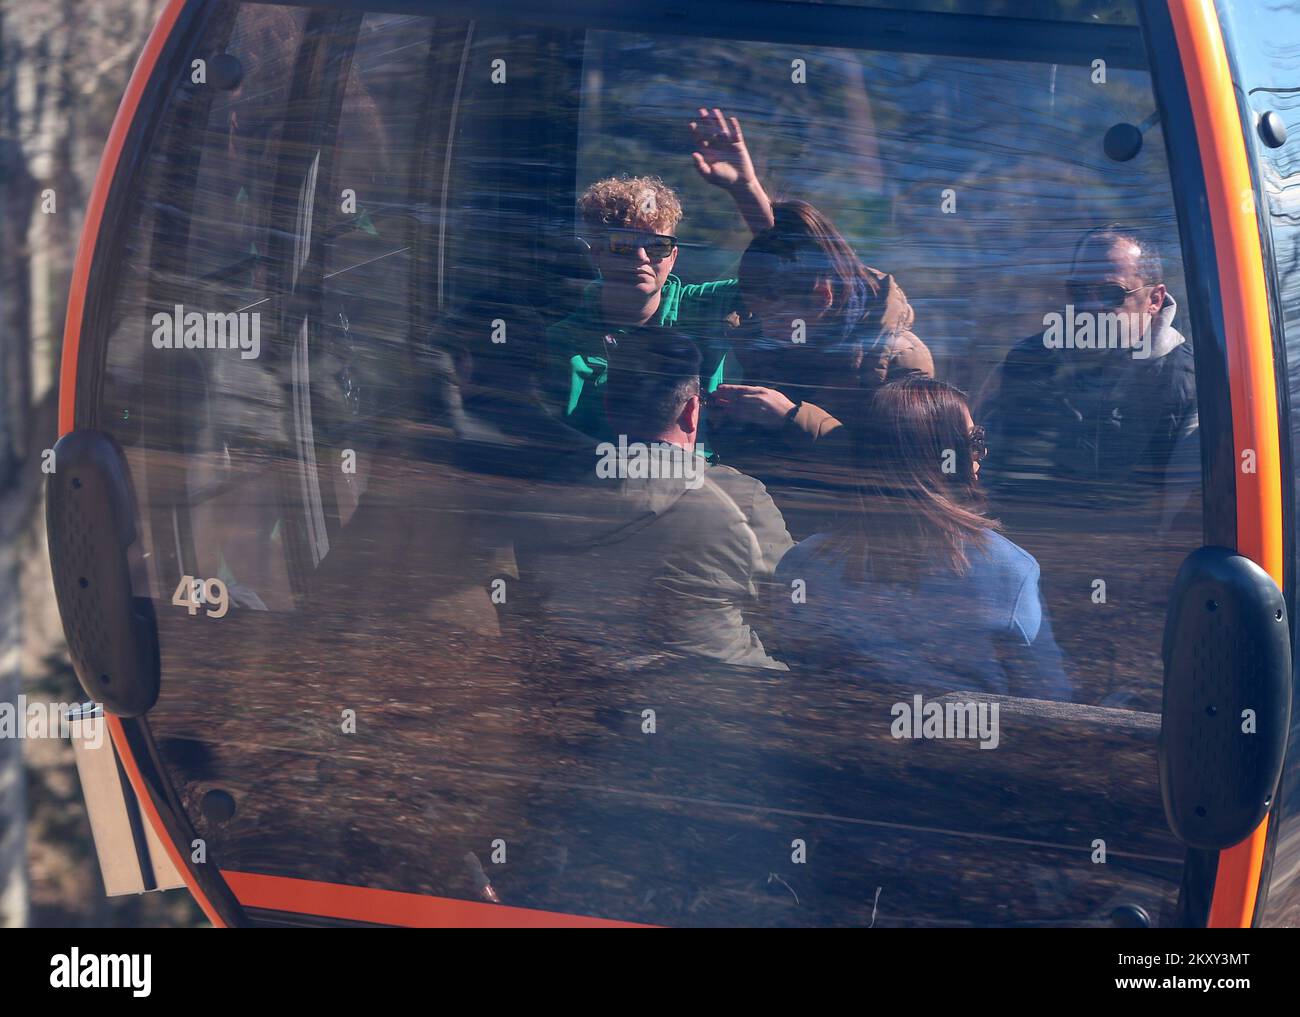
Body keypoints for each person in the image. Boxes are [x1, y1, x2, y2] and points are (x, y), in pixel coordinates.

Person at [771, 376, 1072, 701]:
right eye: (974, 440)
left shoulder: (803, 564)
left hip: (829, 746)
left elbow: (796, 664)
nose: (980, 453)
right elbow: (1048, 696)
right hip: (965, 746)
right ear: (950, 456)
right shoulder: (1009, 571)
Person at [515, 328, 793, 670]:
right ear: (693, 410)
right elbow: (792, 608)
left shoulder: (549, 491)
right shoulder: (742, 497)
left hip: (582, 680)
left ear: (608, 407)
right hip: (720, 690)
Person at [977, 224, 1198, 520]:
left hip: (1131, 554)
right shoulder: (1028, 362)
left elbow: (1183, 512)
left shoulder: (1188, 382)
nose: (1089, 305)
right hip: (1024, 540)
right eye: (1078, 291)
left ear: (1154, 300)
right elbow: (981, 464)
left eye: (1110, 293)